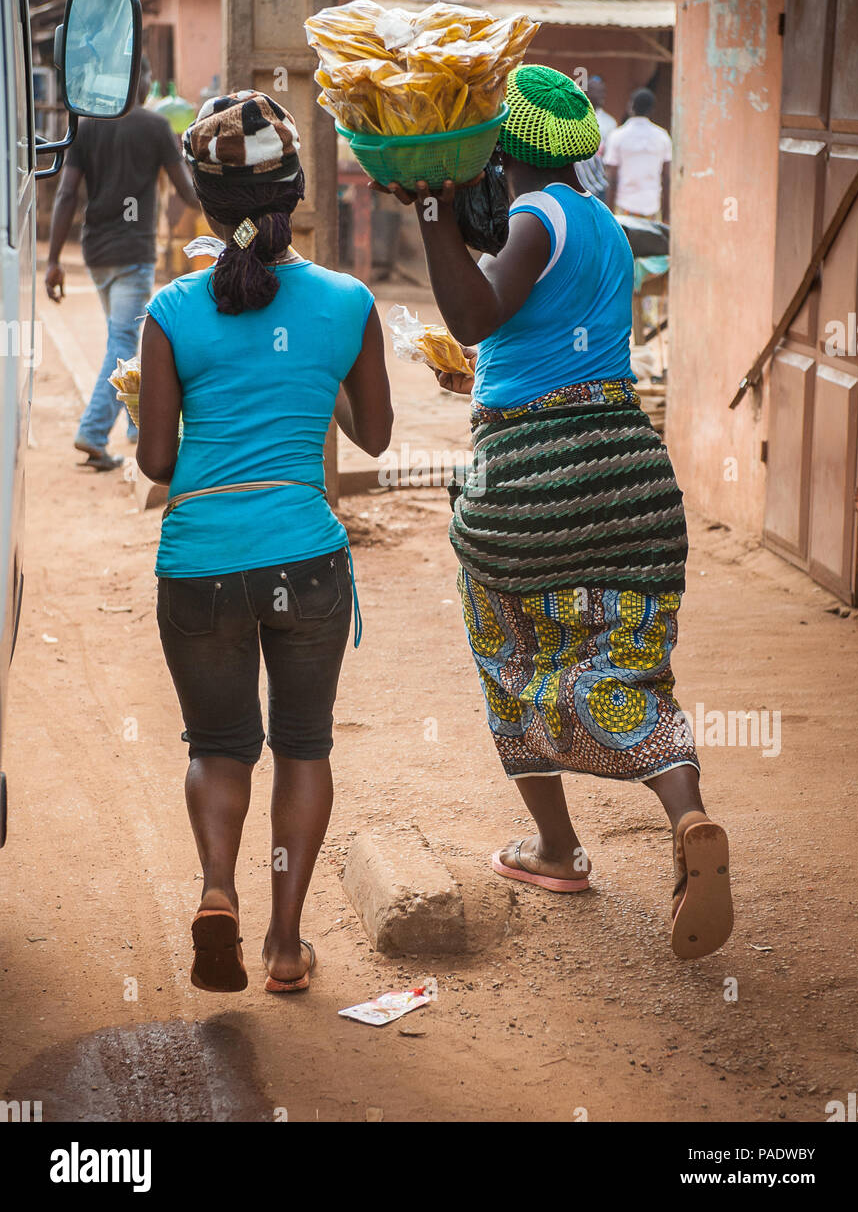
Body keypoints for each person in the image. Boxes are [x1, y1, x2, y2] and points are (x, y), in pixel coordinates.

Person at [382, 64, 732, 960]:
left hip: (531, 480)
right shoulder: (604, 225)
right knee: (627, 664)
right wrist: (481, 373)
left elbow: (471, 314)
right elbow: (533, 339)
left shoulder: (534, 216)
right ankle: (687, 818)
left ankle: (557, 847)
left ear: (499, 153)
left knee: (512, 658)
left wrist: (430, 208)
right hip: (626, 469)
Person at [136, 90, 392, 993]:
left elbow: (157, 458)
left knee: (216, 746)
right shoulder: (348, 301)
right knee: (303, 747)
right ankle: (286, 945)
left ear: (206, 205)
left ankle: (217, 890)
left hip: (200, 562)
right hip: (306, 559)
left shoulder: (169, 310)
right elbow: (374, 437)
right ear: (296, 198)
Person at [45, 55, 199, 471]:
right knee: (124, 344)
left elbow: (66, 195)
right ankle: (94, 433)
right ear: (143, 83)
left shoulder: (87, 126)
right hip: (133, 254)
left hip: (96, 253)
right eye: (148, 77)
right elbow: (187, 192)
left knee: (124, 339)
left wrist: (54, 259)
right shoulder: (155, 128)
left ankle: (137, 425)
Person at [604, 86, 672, 222]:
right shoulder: (662, 137)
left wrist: (609, 216)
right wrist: (665, 216)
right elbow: (666, 178)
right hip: (652, 208)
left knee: (625, 244)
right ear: (652, 110)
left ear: (630, 107)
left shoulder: (617, 136)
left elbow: (612, 179)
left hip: (624, 208)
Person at [574, 73, 616, 201]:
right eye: (596, 91)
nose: (601, 95)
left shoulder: (610, 122)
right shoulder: (576, 117)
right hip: (578, 183)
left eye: (603, 91)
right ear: (587, 92)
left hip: (600, 184)